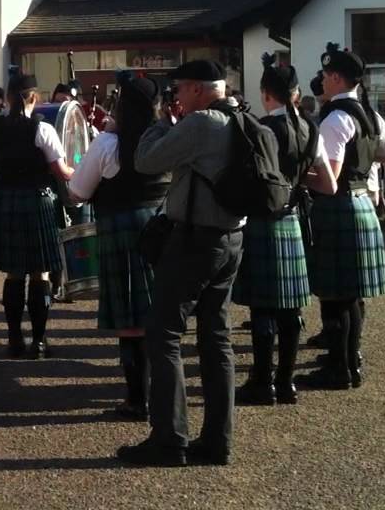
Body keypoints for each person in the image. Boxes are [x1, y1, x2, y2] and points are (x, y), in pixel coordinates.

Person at [116, 59, 244, 468]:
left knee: (163, 332)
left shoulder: (201, 122)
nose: (176, 98)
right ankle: (217, 441)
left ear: (196, 89)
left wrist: (159, 122)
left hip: (196, 239)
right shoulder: (242, 116)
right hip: (232, 238)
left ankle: (169, 439)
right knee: (216, 338)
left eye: (179, 91)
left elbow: (147, 161)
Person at [233, 57, 336, 406]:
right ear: (295, 94)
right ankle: (286, 382)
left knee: (263, 308)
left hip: (263, 220)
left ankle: (263, 383)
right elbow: (328, 184)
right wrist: (292, 179)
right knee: (291, 308)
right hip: (293, 220)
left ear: (265, 94)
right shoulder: (311, 128)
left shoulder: (260, 129)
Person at [68, 73, 168, 421]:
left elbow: (77, 192)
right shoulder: (167, 137)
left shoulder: (109, 144)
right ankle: (161, 394)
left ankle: (137, 400)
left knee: (130, 319)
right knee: (158, 314)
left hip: (122, 228)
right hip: (161, 227)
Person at [299, 45, 385, 390]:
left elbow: (330, 180)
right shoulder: (368, 114)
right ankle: (350, 361)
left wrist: (293, 175)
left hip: (338, 206)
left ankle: (339, 369)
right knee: (352, 295)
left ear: (337, 77)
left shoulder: (336, 118)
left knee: (335, 294)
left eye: (325, 76)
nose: (322, 81)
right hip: (361, 204)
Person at [0, 72, 73, 359]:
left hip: (6, 203)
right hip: (38, 203)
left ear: (7, 99)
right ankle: (39, 342)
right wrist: (80, 170)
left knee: (14, 273)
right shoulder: (43, 130)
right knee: (39, 272)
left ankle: (14, 340)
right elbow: (61, 172)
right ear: (34, 97)